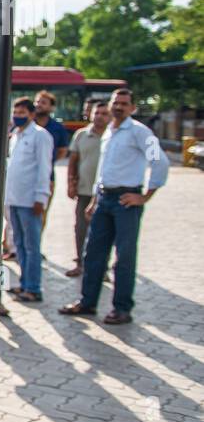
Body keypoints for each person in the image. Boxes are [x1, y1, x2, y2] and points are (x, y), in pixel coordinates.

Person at [59, 88, 168, 325]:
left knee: (124, 257)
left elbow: (160, 161)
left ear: (132, 108)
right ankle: (87, 302)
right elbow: (104, 169)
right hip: (103, 198)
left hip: (125, 200)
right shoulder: (109, 132)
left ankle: (121, 308)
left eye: (124, 103)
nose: (118, 107)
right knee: (93, 254)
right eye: (115, 102)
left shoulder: (139, 132)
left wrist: (145, 197)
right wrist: (95, 201)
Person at [3, 97, 53, 303]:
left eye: (23, 113)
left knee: (32, 247)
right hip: (14, 198)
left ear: (32, 115)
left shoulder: (40, 136)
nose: (18, 116)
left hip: (30, 201)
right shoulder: (16, 135)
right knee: (19, 245)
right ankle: (24, 283)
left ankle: (33, 287)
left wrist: (41, 197)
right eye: (16, 112)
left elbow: (44, 169)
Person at [65, 100, 110, 277]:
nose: (99, 116)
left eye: (104, 113)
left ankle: (102, 268)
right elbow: (73, 161)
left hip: (105, 192)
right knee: (81, 228)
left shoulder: (112, 135)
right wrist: (71, 183)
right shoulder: (81, 135)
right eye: (96, 113)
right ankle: (80, 263)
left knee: (103, 232)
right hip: (84, 189)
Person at [32, 90, 69, 237]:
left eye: (43, 102)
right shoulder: (27, 124)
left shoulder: (57, 128)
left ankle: (36, 244)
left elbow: (62, 151)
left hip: (47, 177)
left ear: (52, 108)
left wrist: (46, 163)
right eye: (37, 101)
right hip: (24, 176)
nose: (39, 105)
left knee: (41, 212)